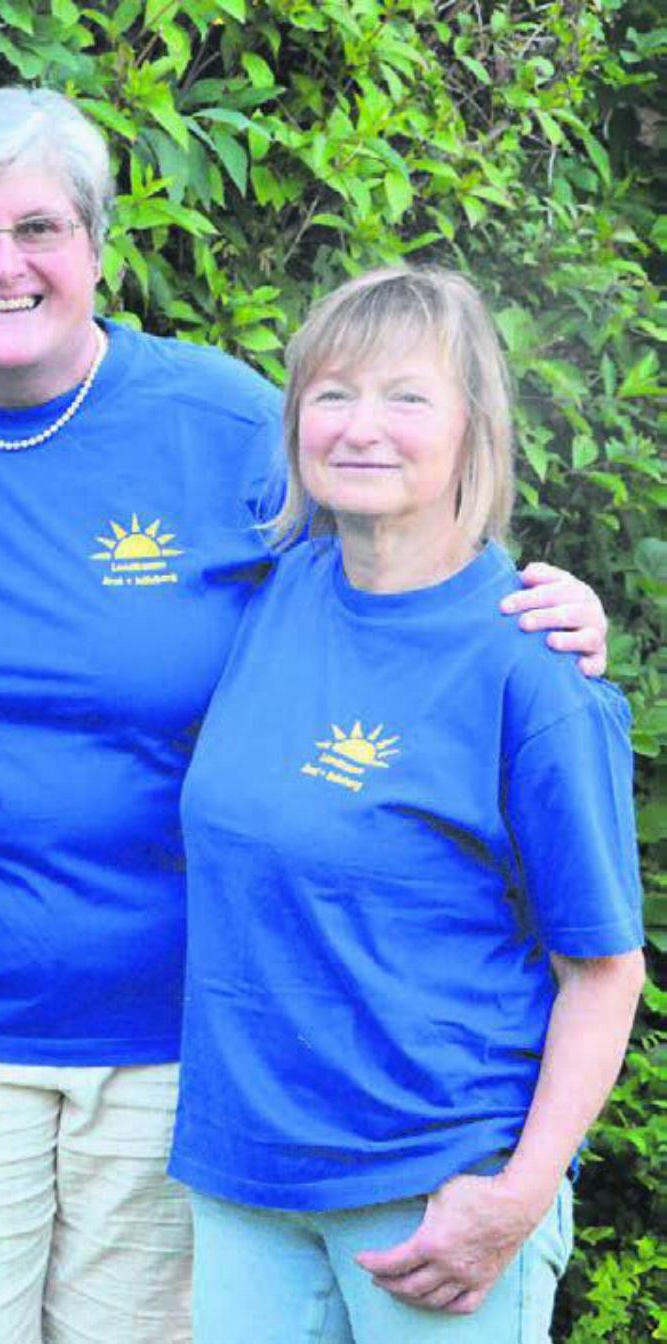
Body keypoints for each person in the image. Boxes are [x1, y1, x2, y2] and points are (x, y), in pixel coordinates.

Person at [0, 89, 613, 1343]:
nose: (5, 262)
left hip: (191, 1048)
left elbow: (400, 541)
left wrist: (547, 612)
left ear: (100, 246)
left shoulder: (227, 424)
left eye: (40, 226)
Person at [171, 265, 645, 1341]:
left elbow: (604, 972)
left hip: (434, 1195)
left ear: (475, 427)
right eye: (331, 393)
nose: (360, 427)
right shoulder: (278, 587)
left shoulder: (533, 667)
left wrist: (515, 1202)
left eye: (407, 396)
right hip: (246, 1177)